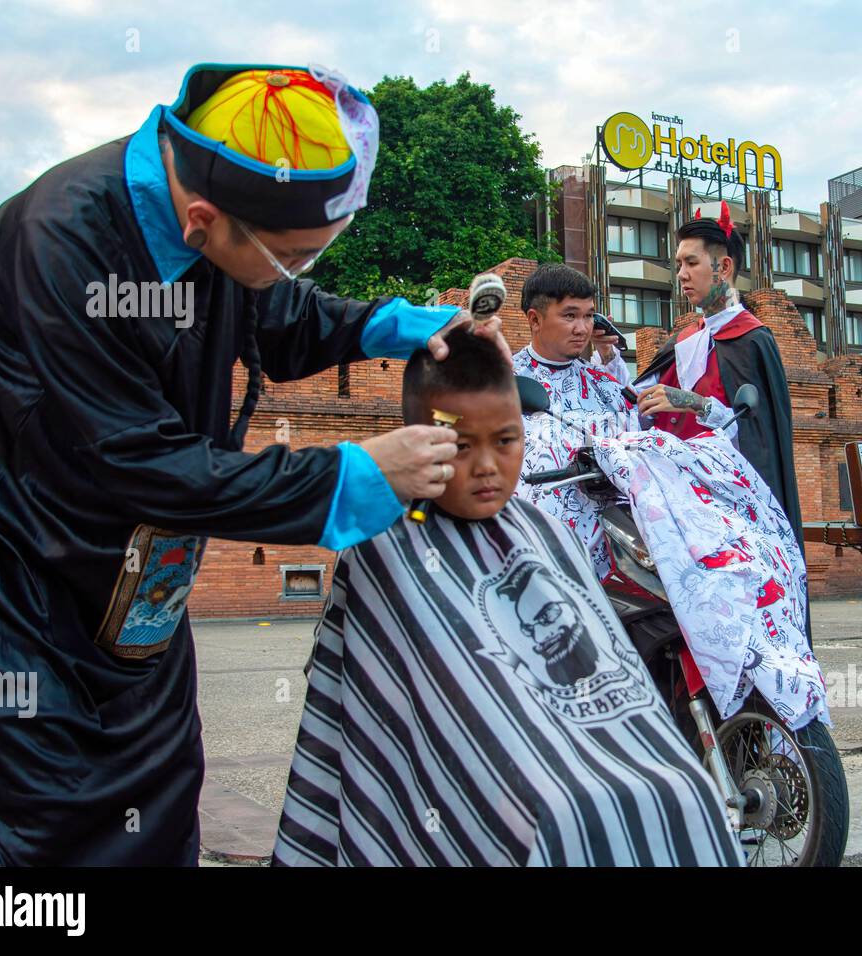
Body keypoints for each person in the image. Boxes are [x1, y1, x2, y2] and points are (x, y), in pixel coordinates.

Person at [0, 64, 508, 865]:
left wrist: (399, 327)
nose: (297, 274)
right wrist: (351, 476)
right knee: (33, 847)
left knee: (157, 816)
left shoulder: (219, 222)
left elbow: (276, 312)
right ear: (203, 220)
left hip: (140, 611)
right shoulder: (60, 247)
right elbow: (136, 462)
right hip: (19, 610)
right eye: (295, 257)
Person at [273, 329, 739, 866]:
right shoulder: (385, 549)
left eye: (506, 440)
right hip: (481, 775)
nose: (489, 466)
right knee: (557, 816)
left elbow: (609, 682)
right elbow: (398, 712)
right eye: (462, 446)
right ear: (418, 442)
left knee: (689, 792)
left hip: (575, 753)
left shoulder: (546, 532)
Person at [512, 263, 736, 578]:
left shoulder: (605, 385)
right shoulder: (502, 383)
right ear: (535, 319)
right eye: (569, 316)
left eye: (589, 316)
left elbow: (642, 446)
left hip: (616, 558)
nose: (582, 328)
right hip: (537, 550)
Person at [633, 202, 802, 544]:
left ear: (723, 267)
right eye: (679, 263)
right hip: (673, 506)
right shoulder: (682, 340)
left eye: (691, 263)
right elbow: (638, 407)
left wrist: (697, 404)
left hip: (729, 516)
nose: (681, 274)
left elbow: (758, 441)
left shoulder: (753, 340)